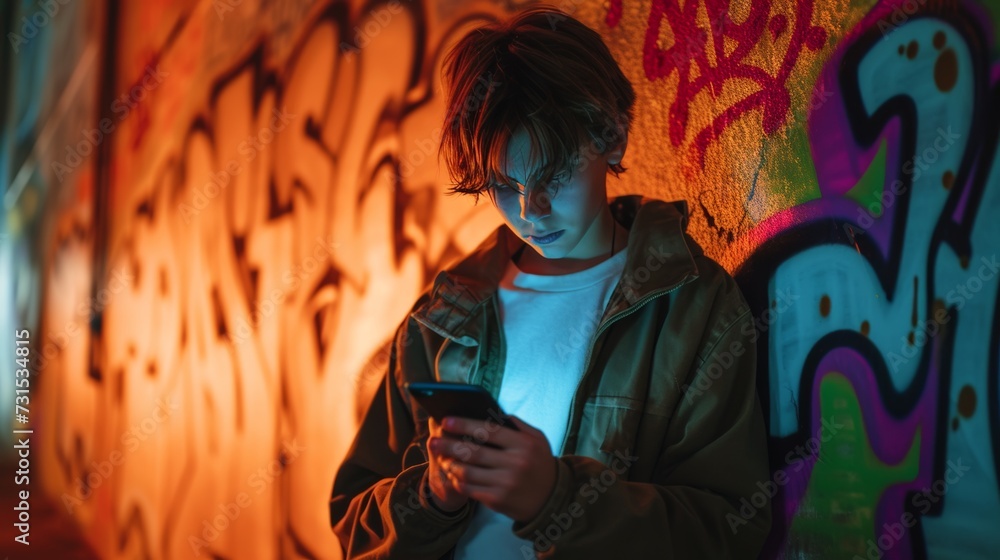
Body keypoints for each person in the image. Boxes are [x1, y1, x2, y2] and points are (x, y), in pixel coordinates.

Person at [329, 6, 771, 558]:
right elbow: (353, 525)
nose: (530, 209)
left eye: (553, 174)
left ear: (613, 136)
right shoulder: (444, 317)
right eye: (502, 184)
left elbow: (727, 531)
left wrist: (557, 501)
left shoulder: (693, 309)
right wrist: (432, 494)